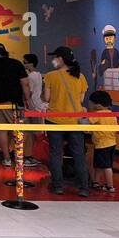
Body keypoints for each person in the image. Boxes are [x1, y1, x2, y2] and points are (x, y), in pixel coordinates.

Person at [42, 45, 91, 196]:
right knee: (78, 154)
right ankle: (83, 187)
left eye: (55, 58)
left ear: (61, 59)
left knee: (56, 154)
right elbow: (81, 99)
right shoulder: (80, 76)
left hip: (54, 120)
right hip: (74, 121)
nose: (53, 61)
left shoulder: (51, 76)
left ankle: (58, 186)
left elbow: (47, 98)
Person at [87, 89, 117, 194]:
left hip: (102, 145)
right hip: (111, 143)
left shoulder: (98, 114)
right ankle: (96, 181)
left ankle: (110, 186)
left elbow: (86, 122)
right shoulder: (111, 114)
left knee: (106, 166)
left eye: (90, 103)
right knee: (99, 165)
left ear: (98, 105)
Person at [97, 25, 119, 91]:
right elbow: (102, 60)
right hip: (107, 70)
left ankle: (116, 93)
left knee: (115, 82)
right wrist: (103, 62)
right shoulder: (104, 51)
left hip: (115, 69)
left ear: (114, 39)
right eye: (107, 38)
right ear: (104, 40)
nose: (109, 40)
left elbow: (118, 60)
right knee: (107, 83)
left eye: (110, 38)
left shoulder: (116, 51)